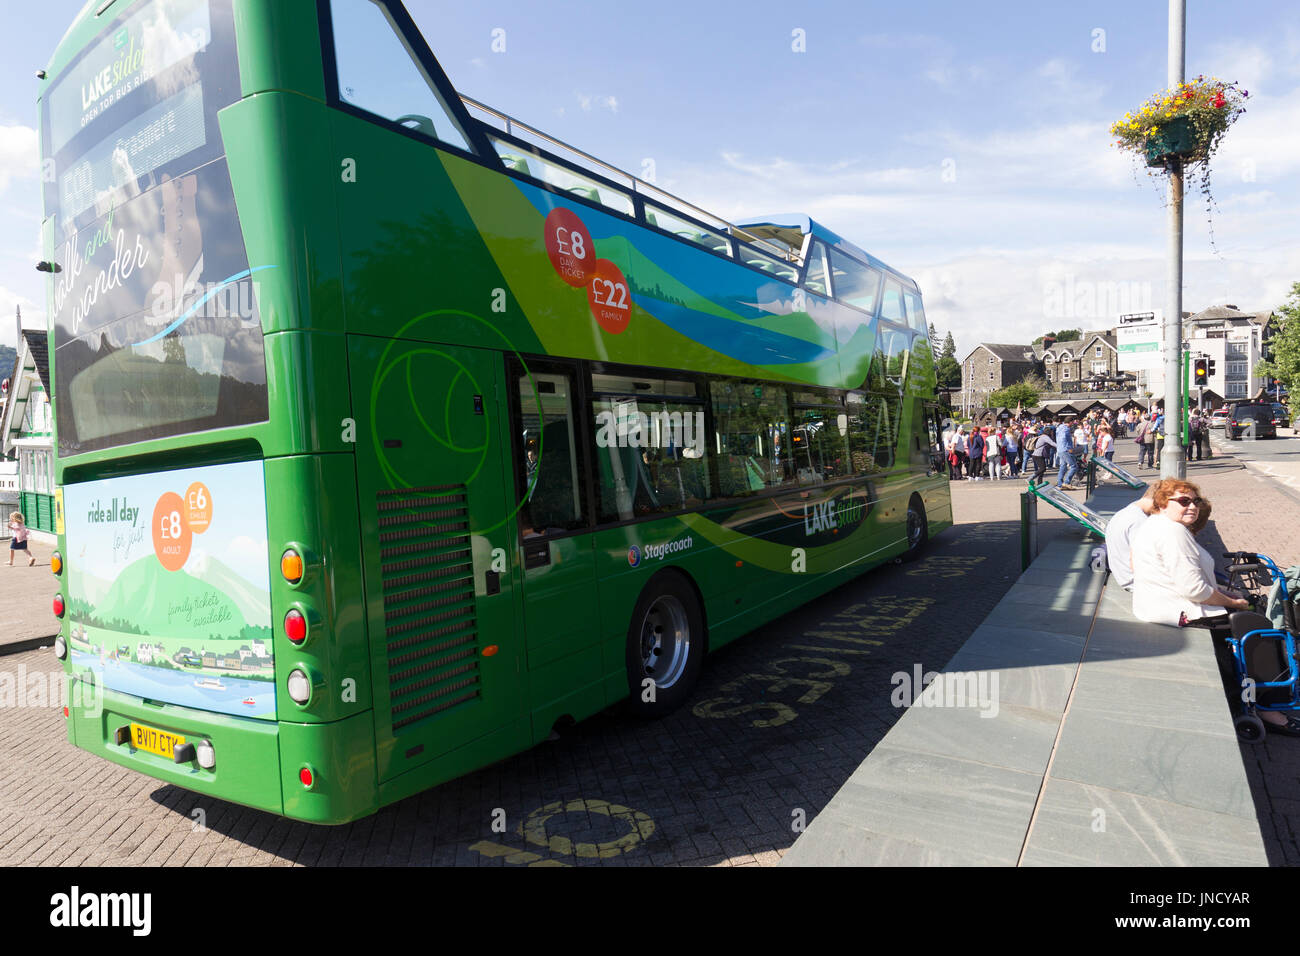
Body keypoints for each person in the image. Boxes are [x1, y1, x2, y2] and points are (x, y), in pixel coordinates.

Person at [1130, 481, 1249, 626]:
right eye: (1184, 501)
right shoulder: (1173, 531)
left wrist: (1221, 593)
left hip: (1154, 608)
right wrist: (1234, 603)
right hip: (1178, 613)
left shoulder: (1153, 523)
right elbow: (1194, 590)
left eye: (1196, 501)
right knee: (1254, 624)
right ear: (1162, 504)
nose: (1193, 507)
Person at [1105, 483, 1159, 590]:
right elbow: (1144, 560)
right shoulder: (1140, 521)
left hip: (1124, 576)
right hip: (1135, 582)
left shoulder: (1127, 511)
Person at [1055, 418, 1078, 490]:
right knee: (1074, 466)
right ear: (1070, 422)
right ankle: (1067, 482)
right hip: (1065, 449)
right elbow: (1063, 438)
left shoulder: (1059, 427)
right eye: (1072, 422)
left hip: (1060, 449)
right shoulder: (1066, 429)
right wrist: (1069, 448)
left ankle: (1060, 484)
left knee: (1063, 466)